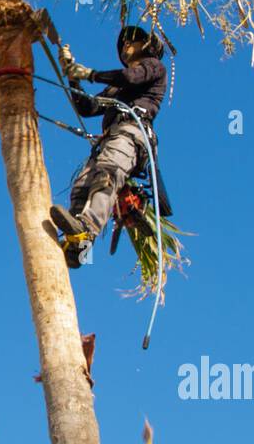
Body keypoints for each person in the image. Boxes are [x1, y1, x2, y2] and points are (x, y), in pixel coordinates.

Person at [50, 25, 168, 268]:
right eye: (123, 43)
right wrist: (72, 75)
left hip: (130, 134)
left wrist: (89, 73)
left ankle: (88, 227)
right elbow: (88, 107)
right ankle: (77, 243)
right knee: (81, 188)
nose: (125, 46)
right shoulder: (118, 89)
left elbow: (130, 77)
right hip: (108, 140)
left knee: (107, 175)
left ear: (147, 45)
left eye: (131, 41)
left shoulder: (153, 67)